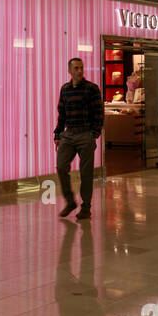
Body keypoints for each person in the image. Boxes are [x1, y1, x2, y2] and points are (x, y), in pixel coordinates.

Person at [54, 56, 104, 219]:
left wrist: (94, 134)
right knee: (61, 167)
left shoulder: (92, 88)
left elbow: (99, 113)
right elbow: (62, 113)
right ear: (70, 70)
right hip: (69, 134)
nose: (80, 71)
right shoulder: (65, 89)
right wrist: (58, 134)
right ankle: (70, 201)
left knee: (86, 173)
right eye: (76, 68)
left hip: (85, 134)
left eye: (81, 68)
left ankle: (86, 207)